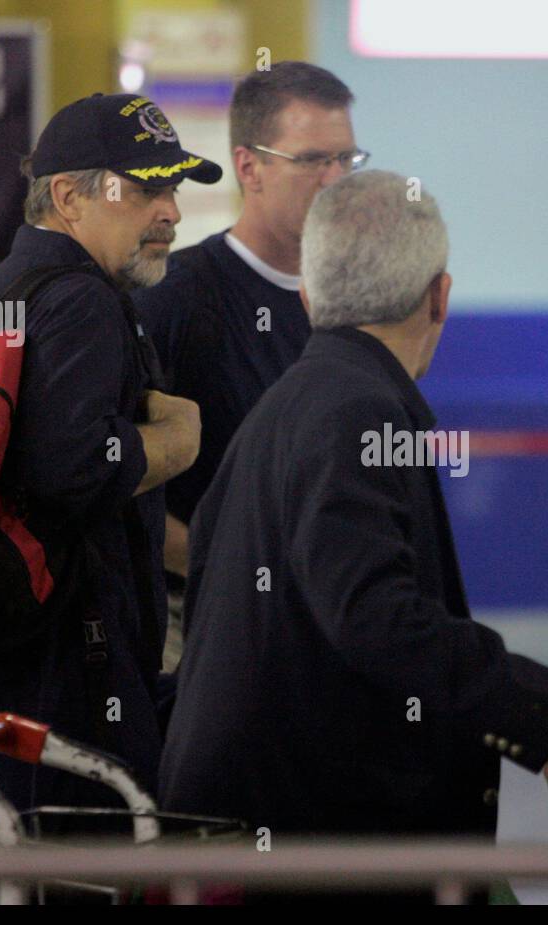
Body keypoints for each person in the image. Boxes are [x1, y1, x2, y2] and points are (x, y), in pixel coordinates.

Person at [159, 171, 548, 846]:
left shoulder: (288, 406)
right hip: (308, 852)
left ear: (310, 296)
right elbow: (376, 618)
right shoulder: (357, 410)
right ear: (441, 297)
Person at [0, 93, 217, 817]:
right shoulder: (82, 299)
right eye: (144, 189)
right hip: (55, 702)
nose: (170, 212)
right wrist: (178, 439)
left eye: (174, 189)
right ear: (69, 197)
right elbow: (73, 467)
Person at [133, 61, 366, 671]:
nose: (335, 180)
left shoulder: (360, 301)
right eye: (314, 160)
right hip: (198, 624)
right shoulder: (174, 299)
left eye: (348, 160)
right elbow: (111, 486)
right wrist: (229, 560)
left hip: (327, 620)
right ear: (248, 167)